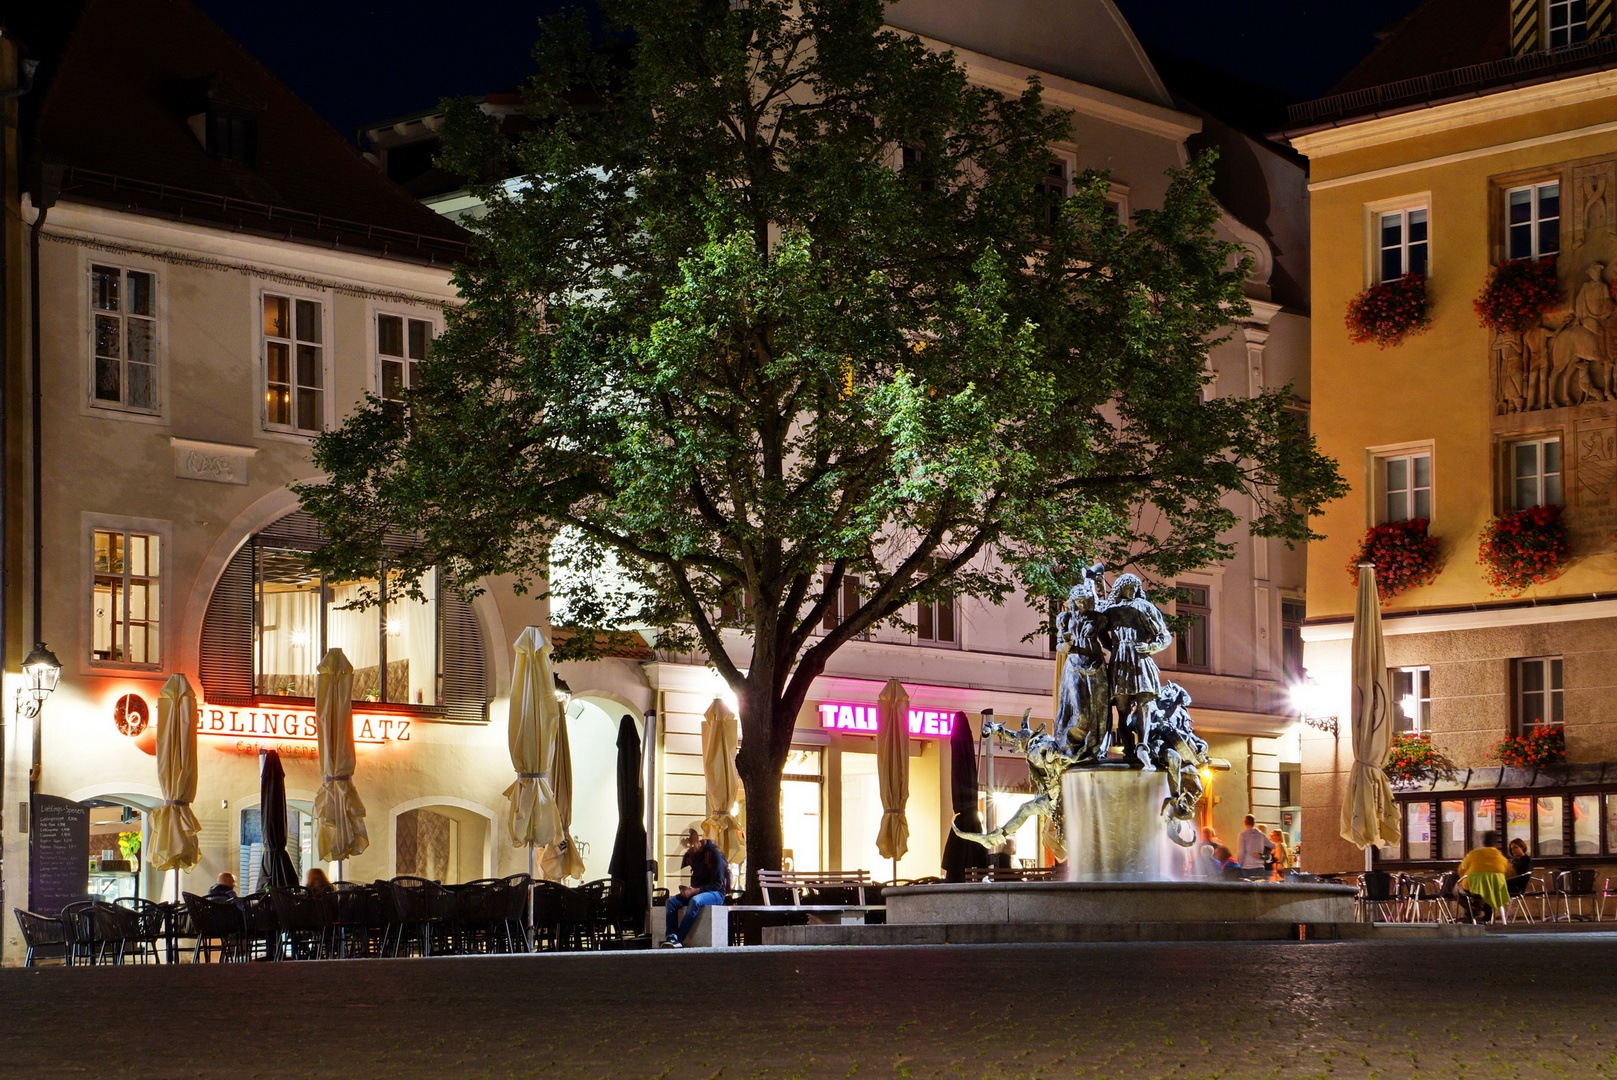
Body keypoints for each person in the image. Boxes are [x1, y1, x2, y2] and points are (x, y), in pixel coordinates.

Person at [664, 826, 728, 948]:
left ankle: (678, 938)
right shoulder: (691, 854)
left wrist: (695, 891)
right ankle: (671, 937)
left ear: (697, 840)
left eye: (690, 846)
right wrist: (688, 890)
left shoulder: (714, 854)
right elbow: (671, 867)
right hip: (697, 891)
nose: (688, 850)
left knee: (695, 901)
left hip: (716, 893)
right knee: (671, 902)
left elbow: (718, 884)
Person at [1456, 836, 1512, 924]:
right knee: (1484, 892)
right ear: (1495, 844)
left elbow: (1461, 870)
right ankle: (1482, 910)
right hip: (1495, 889)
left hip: (1472, 887)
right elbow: (1507, 872)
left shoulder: (1473, 854)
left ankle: (1472, 911)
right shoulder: (1501, 857)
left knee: (1457, 890)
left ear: (1483, 843)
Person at [1236, 815, 1272, 879]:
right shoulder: (1261, 835)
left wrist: (1239, 864)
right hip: (1260, 866)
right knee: (1260, 883)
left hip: (1247, 866)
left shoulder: (1242, 835)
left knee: (1247, 884)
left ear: (1244, 823)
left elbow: (1241, 852)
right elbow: (1271, 846)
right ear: (1254, 823)